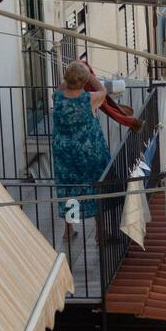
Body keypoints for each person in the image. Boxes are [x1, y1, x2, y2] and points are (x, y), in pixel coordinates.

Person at [53, 61, 112, 234]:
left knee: (69, 187)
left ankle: (68, 229)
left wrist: (72, 74)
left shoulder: (57, 97)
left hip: (64, 153)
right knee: (95, 187)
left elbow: (61, 87)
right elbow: (103, 91)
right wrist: (90, 75)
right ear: (84, 80)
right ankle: (100, 232)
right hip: (88, 152)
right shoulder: (89, 99)